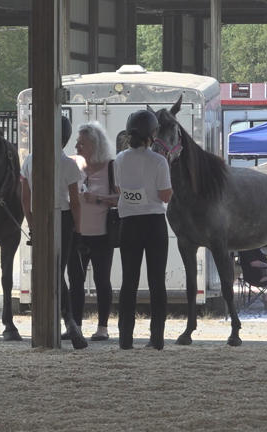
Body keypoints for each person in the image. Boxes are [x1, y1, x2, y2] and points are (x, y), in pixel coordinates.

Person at [115, 110, 172, 350]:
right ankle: (156, 338)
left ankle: (125, 339)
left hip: (128, 223)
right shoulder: (159, 161)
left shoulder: (119, 159)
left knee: (129, 281)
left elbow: (120, 189)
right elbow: (165, 196)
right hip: (154, 223)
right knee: (157, 282)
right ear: (152, 134)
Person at [20, 115, 82, 339]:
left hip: (39, 216)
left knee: (44, 269)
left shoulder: (29, 160)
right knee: (58, 270)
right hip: (63, 218)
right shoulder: (69, 164)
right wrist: (78, 227)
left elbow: (25, 198)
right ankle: (70, 321)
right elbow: (75, 201)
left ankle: (51, 320)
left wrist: (31, 221)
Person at [66, 121, 119, 341]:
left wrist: (97, 198)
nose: (77, 147)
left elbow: (120, 198)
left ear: (95, 145)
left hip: (102, 235)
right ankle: (75, 325)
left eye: (82, 143)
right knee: (75, 281)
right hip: (76, 233)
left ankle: (102, 327)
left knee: (102, 280)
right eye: (77, 143)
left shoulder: (111, 167)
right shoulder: (74, 164)